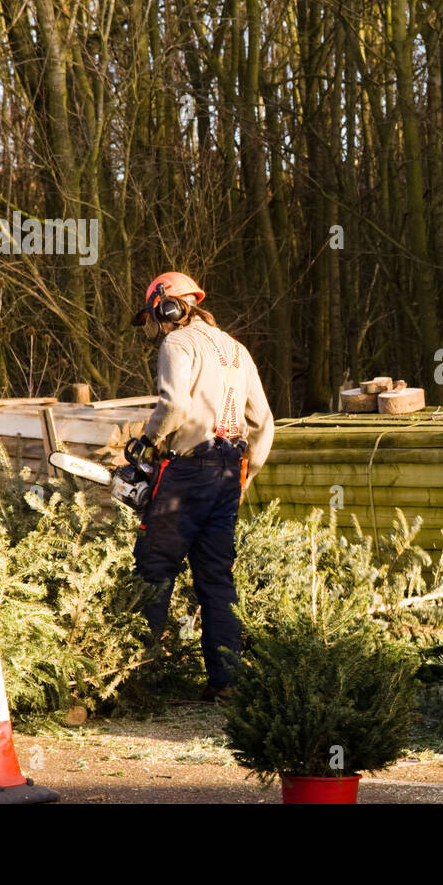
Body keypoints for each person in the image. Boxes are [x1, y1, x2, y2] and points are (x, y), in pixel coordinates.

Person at [130, 271, 274, 701]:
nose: (154, 327)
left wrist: (147, 441)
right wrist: (246, 473)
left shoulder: (178, 343)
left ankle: (139, 678)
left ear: (167, 306)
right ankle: (226, 681)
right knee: (216, 577)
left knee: (154, 569)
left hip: (188, 472)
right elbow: (263, 424)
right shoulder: (237, 348)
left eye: (155, 316)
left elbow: (174, 405)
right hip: (230, 470)